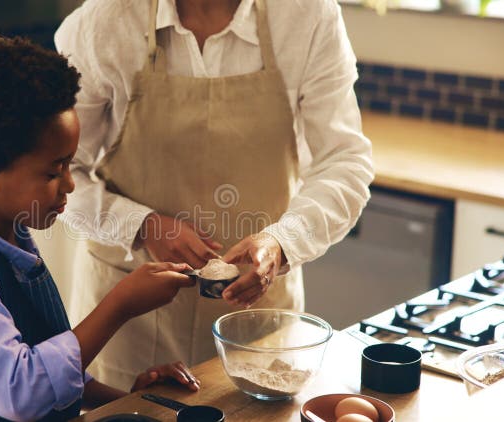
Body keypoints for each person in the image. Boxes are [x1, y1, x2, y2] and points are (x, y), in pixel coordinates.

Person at [54, 0, 375, 389]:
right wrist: (141, 226)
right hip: (132, 320)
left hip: (260, 317)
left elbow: (344, 162)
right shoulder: (103, 22)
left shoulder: (308, 16)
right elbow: (59, 169)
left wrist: (281, 242)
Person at [0, 35, 201, 422]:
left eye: (69, 166)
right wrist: (119, 304)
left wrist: (133, 400)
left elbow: (47, 369)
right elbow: (21, 391)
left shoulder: (14, 238)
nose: (69, 184)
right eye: (52, 171)